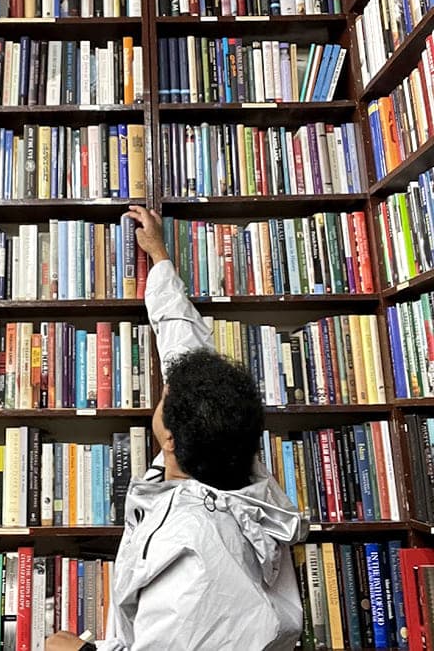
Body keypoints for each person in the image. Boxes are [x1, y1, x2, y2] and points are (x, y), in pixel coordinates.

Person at [46, 207, 308, 651]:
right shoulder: (230, 457)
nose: (163, 393)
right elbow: (184, 348)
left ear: (169, 438)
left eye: (166, 398)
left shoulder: (195, 546)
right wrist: (160, 258)